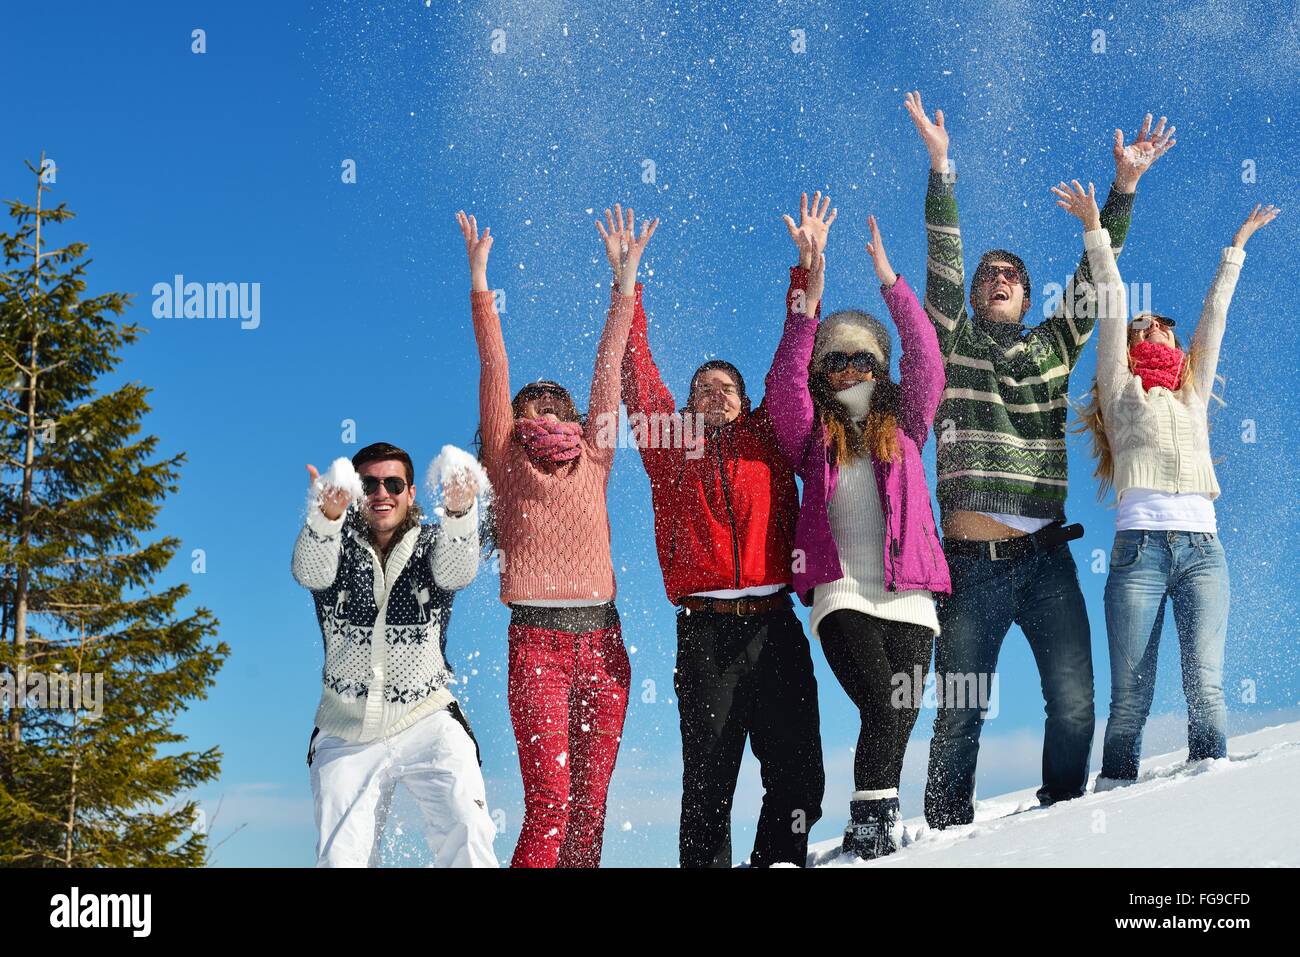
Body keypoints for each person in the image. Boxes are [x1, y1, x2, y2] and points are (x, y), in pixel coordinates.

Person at [903, 90, 1176, 828]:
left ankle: (1057, 829)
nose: (997, 278)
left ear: (1026, 297)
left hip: (1048, 558)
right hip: (970, 562)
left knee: (1076, 704)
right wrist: (941, 167)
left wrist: (1121, 190)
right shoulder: (953, 339)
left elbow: (1096, 278)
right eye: (988, 272)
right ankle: (946, 835)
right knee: (959, 715)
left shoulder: (1053, 345)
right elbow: (943, 257)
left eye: (1011, 275)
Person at [620, 195, 829, 868]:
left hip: (774, 628)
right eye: (701, 387)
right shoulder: (667, 446)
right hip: (705, 634)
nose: (711, 392)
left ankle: (778, 862)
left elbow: (792, 364)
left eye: (724, 388)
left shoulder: (768, 436)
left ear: (744, 403)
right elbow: (636, 373)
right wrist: (627, 285)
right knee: (708, 786)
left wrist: (805, 276)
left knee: (799, 774)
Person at [1060, 183, 1279, 787]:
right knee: (1130, 697)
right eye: (1144, 327)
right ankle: (1114, 793)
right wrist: (1094, 231)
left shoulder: (1193, 393)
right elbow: (1110, 303)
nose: (1154, 329)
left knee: (1206, 686)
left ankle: (1206, 796)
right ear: (1130, 348)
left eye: (1163, 326)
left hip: (1205, 552)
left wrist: (1235, 248)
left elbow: (1215, 318)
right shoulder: (1119, 388)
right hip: (1140, 553)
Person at [461, 206, 656, 868]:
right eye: (531, 401)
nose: (544, 407)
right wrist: (481, 280)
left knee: (590, 807)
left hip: (603, 642)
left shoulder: (595, 455)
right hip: (536, 646)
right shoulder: (503, 460)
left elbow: (609, 367)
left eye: (555, 401)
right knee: (549, 800)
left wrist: (624, 287)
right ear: (516, 416)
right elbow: (494, 363)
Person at [766, 204, 949, 859]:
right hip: (840, 586)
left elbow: (927, 358)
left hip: (912, 591)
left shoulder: (908, 426)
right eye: (836, 358)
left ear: (878, 364)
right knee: (880, 698)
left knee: (898, 709)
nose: (849, 367)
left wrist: (889, 282)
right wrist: (805, 306)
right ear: (825, 368)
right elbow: (781, 385)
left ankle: (875, 821)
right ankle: (872, 829)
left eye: (862, 357)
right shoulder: (810, 434)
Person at [292, 442, 497, 867]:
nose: (381, 492)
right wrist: (326, 517)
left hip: (426, 717)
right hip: (346, 728)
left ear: (411, 492)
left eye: (393, 483)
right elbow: (308, 571)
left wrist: (460, 511)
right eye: (368, 484)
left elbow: (459, 571)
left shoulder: (432, 545)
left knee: (468, 828)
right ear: (353, 490)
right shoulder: (338, 547)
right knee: (341, 858)